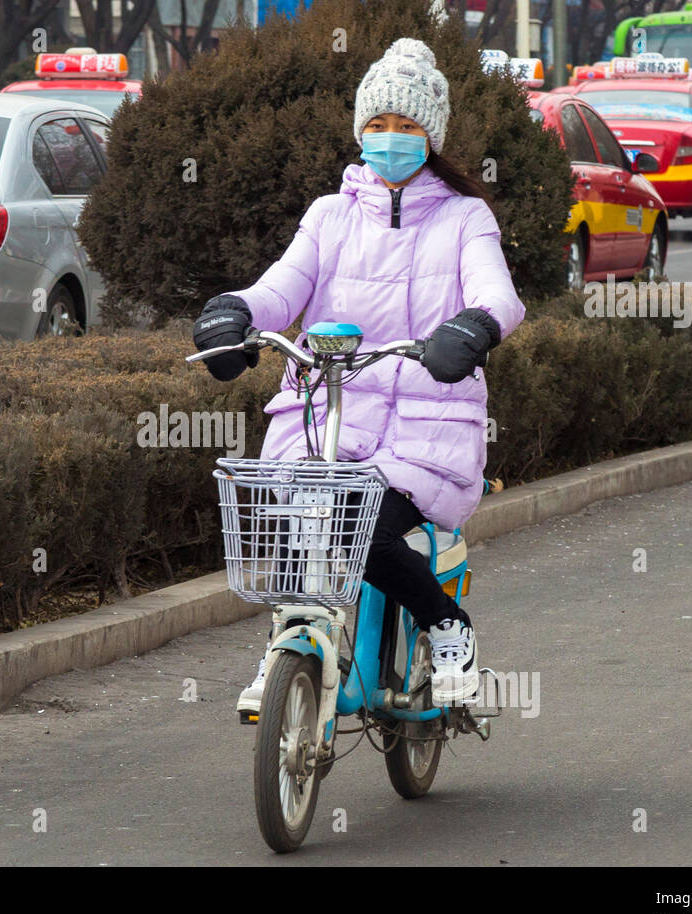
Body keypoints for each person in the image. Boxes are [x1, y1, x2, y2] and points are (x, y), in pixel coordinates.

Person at [191, 37, 525, 718]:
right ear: (359, 130)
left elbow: (499, 296)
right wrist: (233, 315)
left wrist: (471, 329)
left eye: (406, 126)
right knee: (284, 517)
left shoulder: (466, 218)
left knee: (358, 524)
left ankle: (446, 626)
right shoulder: (329, 215)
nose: (391, 138)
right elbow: (281, 290)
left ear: (430, 137)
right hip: (323, 422)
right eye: (378, 124)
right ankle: (294, 637)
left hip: (423, 434)